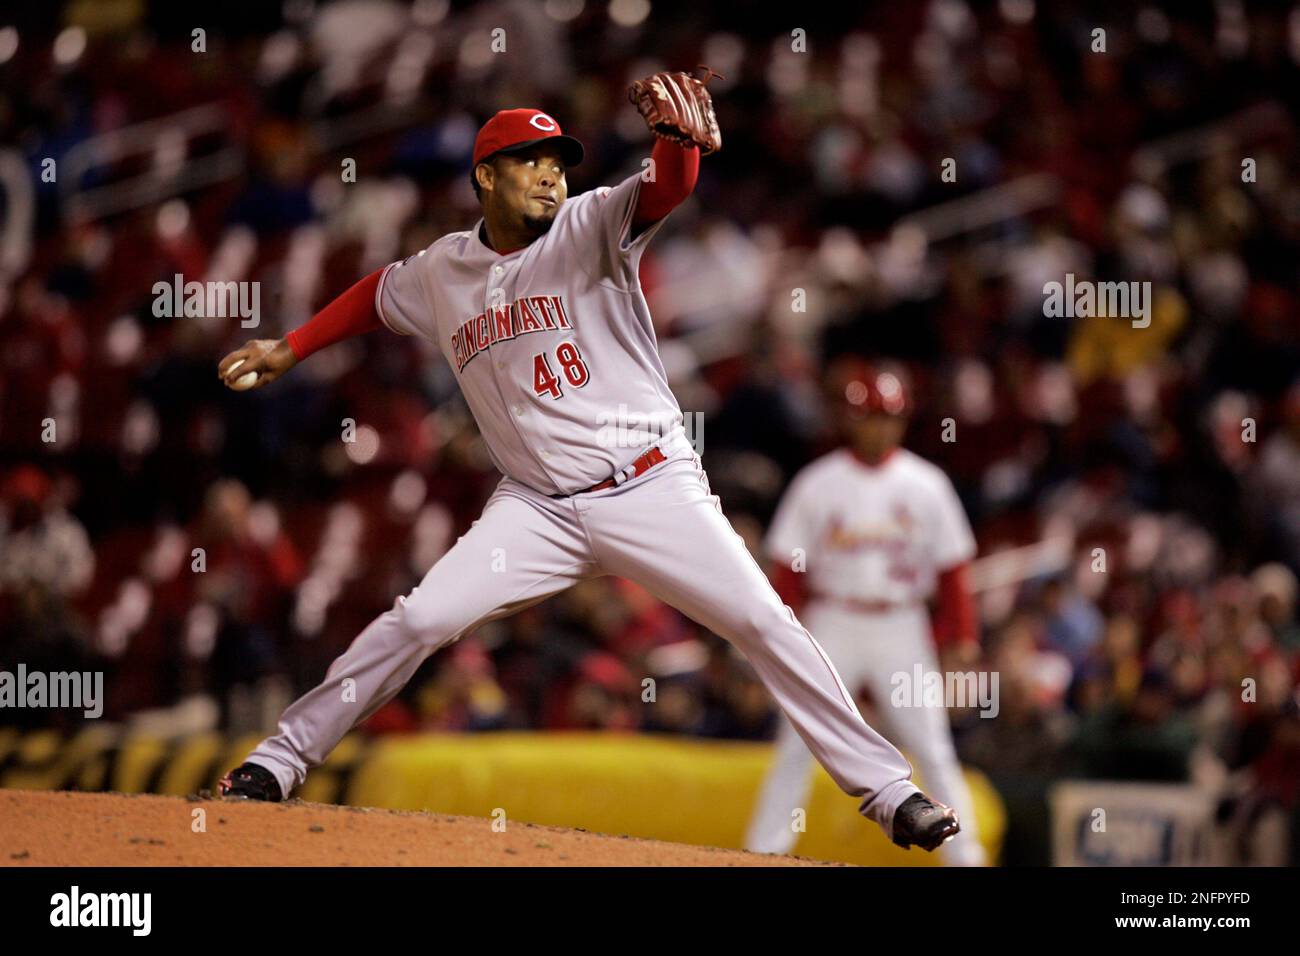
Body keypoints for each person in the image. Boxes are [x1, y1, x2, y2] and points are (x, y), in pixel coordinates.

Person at [213, 79, 959, 854]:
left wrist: (677, 145)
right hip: (535, 508)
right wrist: (289, 347)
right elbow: (378, 293)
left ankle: (888, 789)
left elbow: (665, 189)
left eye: (556, 162)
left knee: (761, 619)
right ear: (485, 177)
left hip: (648, 484)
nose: (548, 174)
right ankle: (279, 759)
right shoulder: (444, 270)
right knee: (423, 618)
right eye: (528, 160)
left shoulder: (591, 223)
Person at [745, 359, 987, 864]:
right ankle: (764, 851)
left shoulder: (927, 484)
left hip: (902, 623)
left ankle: (966, 856)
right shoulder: (818, 482)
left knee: (932, 746)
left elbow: (953, 570)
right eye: (869, 415)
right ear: (849, 419)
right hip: (833, 620)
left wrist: (962, 635)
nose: (878, 425)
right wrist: (775, 636)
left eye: (888, 416)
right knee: (797, 739)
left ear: (902, 420)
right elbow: (788, 570)